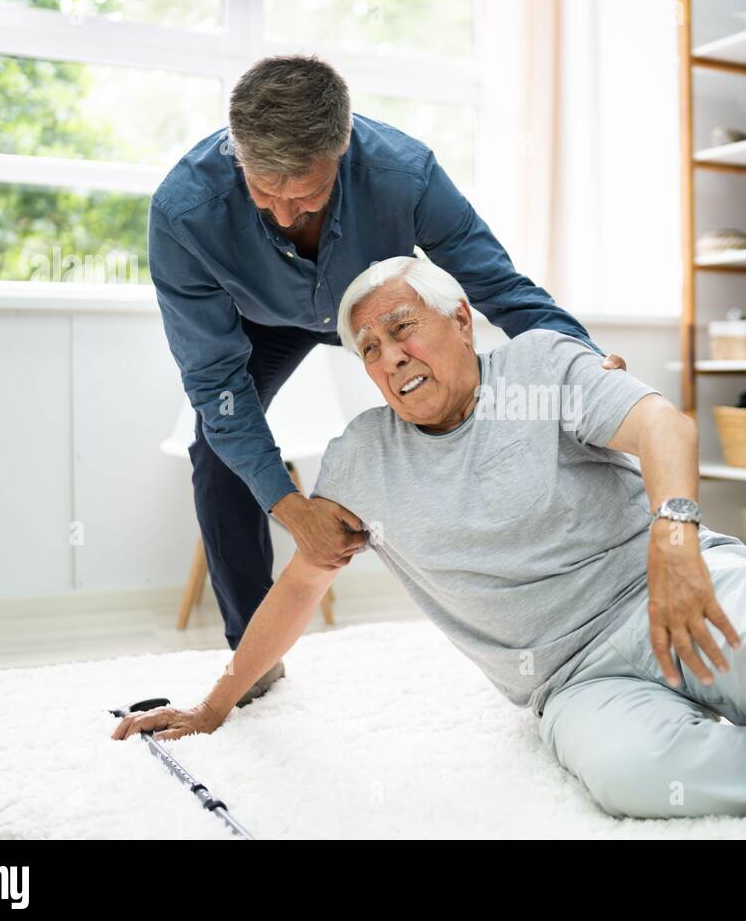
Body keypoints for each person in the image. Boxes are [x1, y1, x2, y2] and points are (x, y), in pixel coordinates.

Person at [116, 256, 746, 839]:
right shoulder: (360, 459)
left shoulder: (545, 365)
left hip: (675, 591)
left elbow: (661, 427)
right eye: (370, 350)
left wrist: (675, 537)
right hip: (571, 678)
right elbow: (299, 584)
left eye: (403, 328)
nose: (390, 358)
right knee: (632, 772)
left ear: (462, 320)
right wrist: (215, 700)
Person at [148, 56, 624, 702]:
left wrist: (586, 364)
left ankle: (549, 596)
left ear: (341, 149)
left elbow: (499, 288)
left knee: (486, 400)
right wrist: (290, 507)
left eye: (307, 194)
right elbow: (215, 381)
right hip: (262, 321)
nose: (286, 216)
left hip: (376, 311)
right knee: (217, 448)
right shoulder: (183, 212)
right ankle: (251, 657)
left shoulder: (406, 172)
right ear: (236, 153)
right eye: (265, 194)